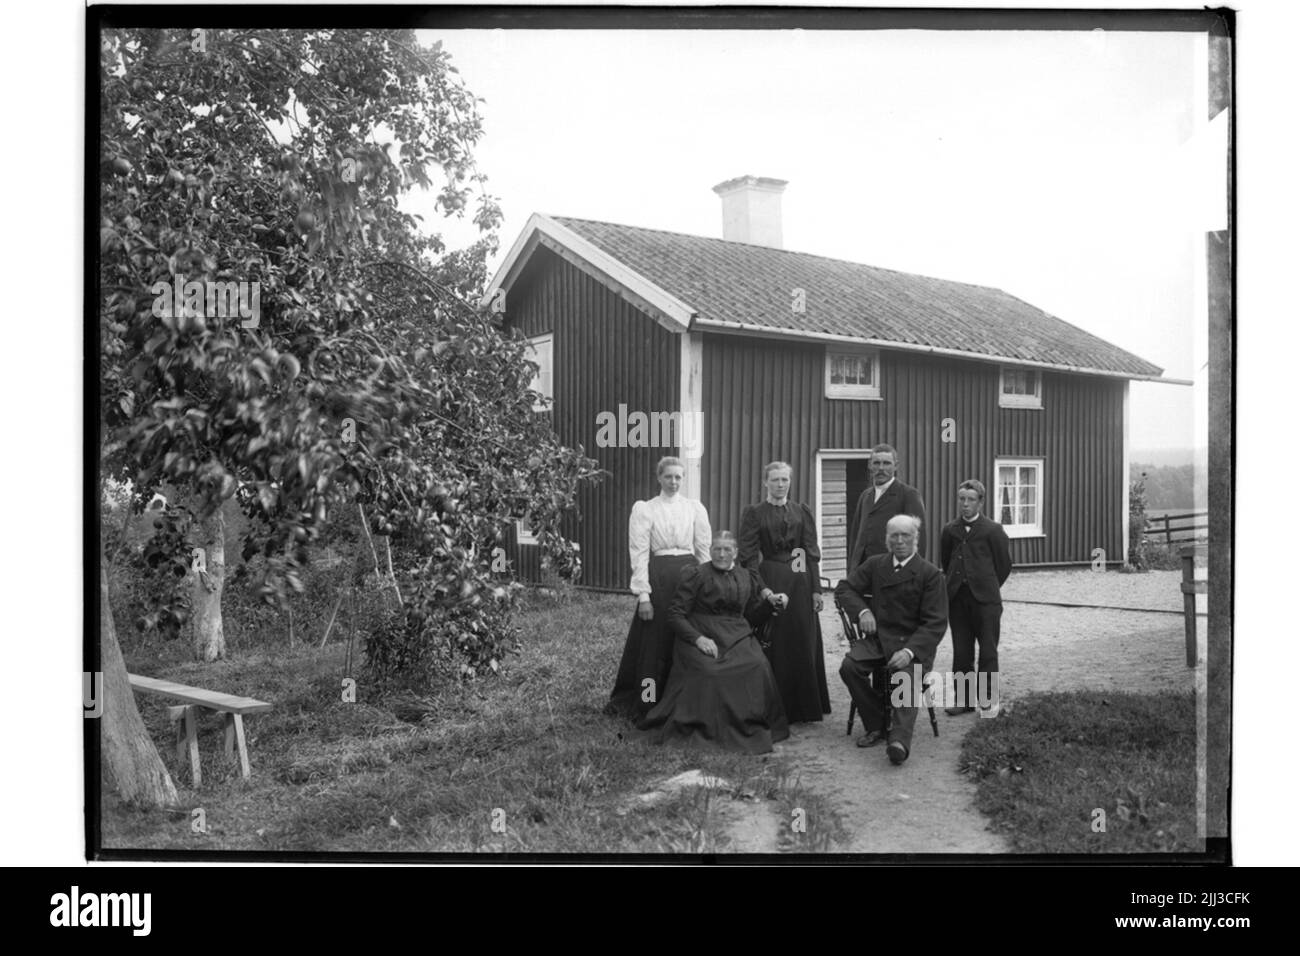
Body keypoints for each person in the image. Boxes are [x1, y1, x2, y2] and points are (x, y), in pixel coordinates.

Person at [639, 531, 790, 754]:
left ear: (736, 553)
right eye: (716, 549)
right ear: (709, 551)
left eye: (727, 549)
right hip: (699, 633)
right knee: (711, 671)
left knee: (757, 665)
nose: (721, 554)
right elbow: (675, 614)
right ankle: (712, 730)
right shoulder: (696, 574)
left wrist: (771, 604)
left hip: (737, 634)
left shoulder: (745, 576)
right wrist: (698, 639)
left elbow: (750, 615)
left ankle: (747, 725)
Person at [836, 514, 948, 765]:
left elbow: (935, 623)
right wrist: (863, 611)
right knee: (849, 667)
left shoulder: (930, 574)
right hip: (879, 639)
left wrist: (909, 652)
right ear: (887, 539)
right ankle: (876, 723)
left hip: (914, 644)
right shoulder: (876, 564)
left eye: (905, 535)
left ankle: (898, 741)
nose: (899, 541)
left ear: (915, 538)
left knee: (907, 677)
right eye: (893, 536)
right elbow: (845, 588)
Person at [607, 456, 712, 720]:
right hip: (660, 579)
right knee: (655, 643)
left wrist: (710, 585)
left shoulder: (694, 508)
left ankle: (687, 702)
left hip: (690, 578)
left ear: (683, 479)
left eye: (678, 477)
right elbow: (639, 553)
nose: (674, 482)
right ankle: (649, 702)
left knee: (688, 635)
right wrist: (644, 595)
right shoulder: (646, 509)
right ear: (659, 478)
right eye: (668, 477)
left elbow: (703, 551)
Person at [739, 461, 831, 723]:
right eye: (775, 480)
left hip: (800, 582)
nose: (781, 485)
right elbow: (748, 558)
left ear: (790, 482)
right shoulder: (755, 513)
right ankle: (776, 708)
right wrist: (763, 589)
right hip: (769, 579)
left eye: (785, 480)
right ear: (765, 482)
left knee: (802, 639)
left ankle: (804, 708)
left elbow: (809, 553)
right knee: (774, 641)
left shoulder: (801, 511)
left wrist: (815, 590)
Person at [939, 479, 1012, 717]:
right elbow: (946, 561)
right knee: (962, 652)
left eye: (971, 499)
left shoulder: (993, 530)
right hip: (958, 600)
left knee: (988, 651)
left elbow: (1003, 566)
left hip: (986, 602)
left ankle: (988, 701)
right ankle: (964, 700)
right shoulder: (950, 530)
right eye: (962, 499)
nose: (965, 504)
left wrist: (986, 586)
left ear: (981, 502)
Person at [846, 444, 927, 570]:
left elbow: (918, 540)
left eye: (887, 463)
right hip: (863, 572)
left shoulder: (908, 495)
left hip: (890, 571)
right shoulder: (865, 496)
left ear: (896, 466)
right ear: (869, 465)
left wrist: (909, 574)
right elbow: (855, 537)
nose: (881, 468)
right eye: (876, 463)